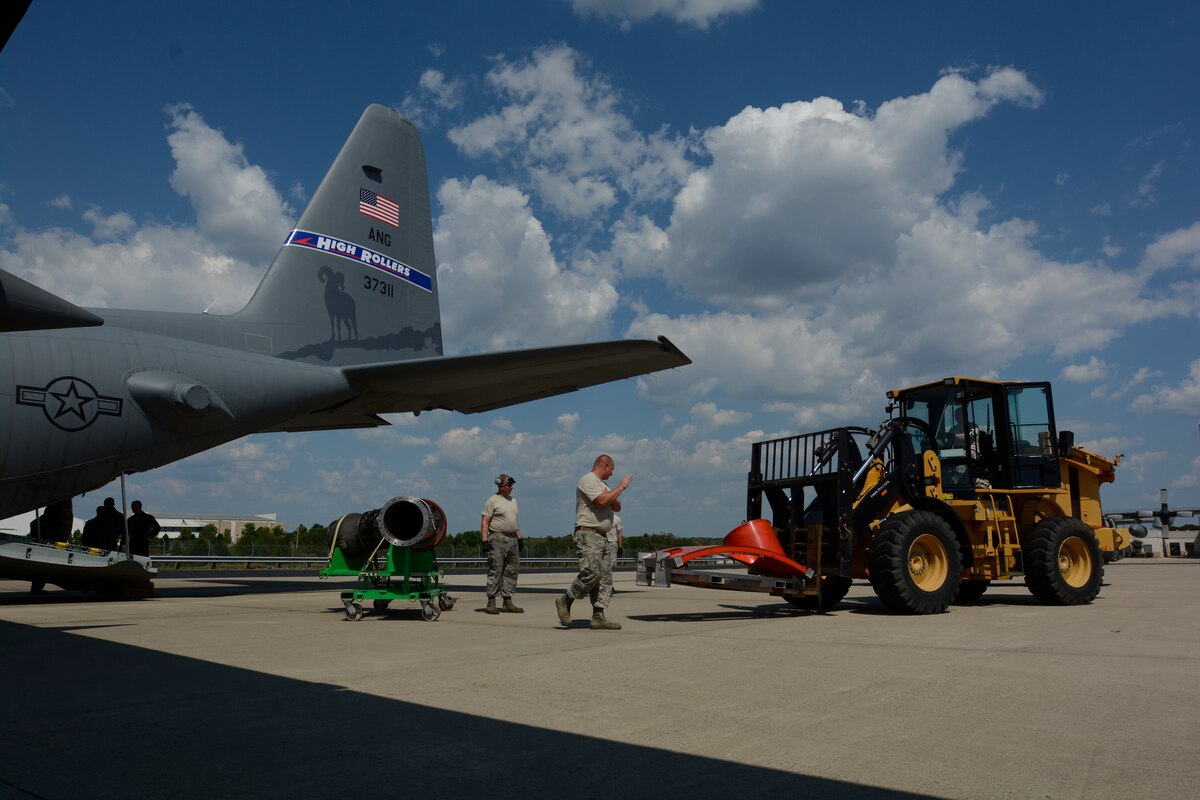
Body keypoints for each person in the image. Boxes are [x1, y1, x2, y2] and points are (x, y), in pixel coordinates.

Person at [555, 454, 631, 631]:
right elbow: (602, 501)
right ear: (604, 466)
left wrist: (613, 492)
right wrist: (621, 487)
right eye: (611, 470)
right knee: (592, 572)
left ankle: (598, 616)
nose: (612, 474)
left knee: (605, 578)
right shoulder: (587, 480)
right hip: (588, 533)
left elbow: (617, 506)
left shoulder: (603, 485)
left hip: (603, 536)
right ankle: (565, 600)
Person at [481, 474, 523, 614]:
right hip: (498, 538)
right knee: (496, 569)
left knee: (511, 570)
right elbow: (485, 521)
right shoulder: (492, 501)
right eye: (508, 485)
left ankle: (507, 601)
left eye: (511, 485)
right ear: (500, 485)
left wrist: (519, 537)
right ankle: (491, 602)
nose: (511, 488)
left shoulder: (513, 500)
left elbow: (514, 521)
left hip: (512, 539)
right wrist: (485, 540)